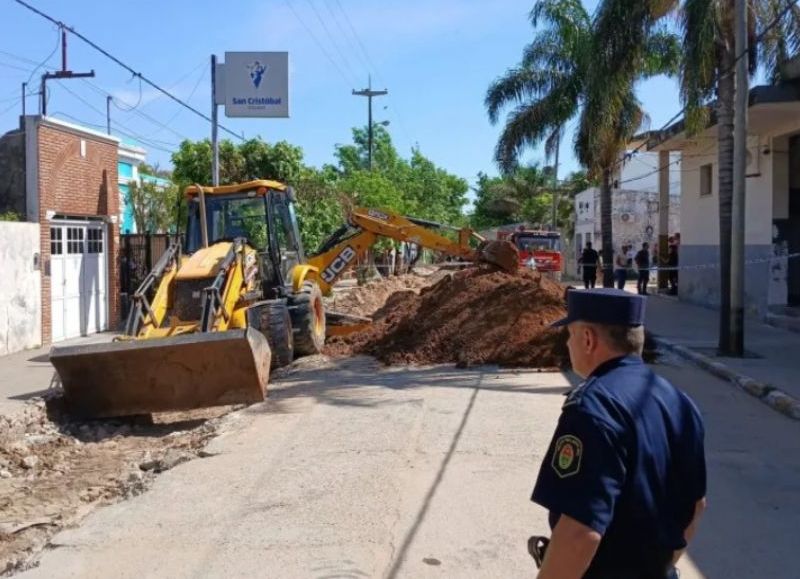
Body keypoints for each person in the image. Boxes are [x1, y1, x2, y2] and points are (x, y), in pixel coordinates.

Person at [529, 289, 707, 578]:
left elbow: (579, 534)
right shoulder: (680, 402)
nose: (568, 344)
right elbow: (696, 505)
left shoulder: (593, 408)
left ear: (588, 339)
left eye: (570, 335)